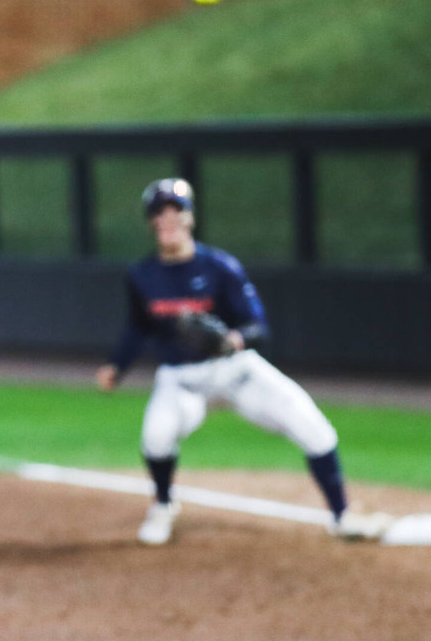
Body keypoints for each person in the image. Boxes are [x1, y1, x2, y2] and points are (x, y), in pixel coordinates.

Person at [96, 177, 386, 545]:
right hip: (182, 380)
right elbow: (137, 328)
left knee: (313, 427)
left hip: (234, 371)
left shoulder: (220, 267)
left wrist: (233, 338)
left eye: (175, 212)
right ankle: (164, 505)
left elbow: (258, 326)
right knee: (156, 438)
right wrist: (117, 367)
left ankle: (342, 515)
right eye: (159, 213)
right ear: (151, 222)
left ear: (190, 219)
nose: (167, 220)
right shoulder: (143, 275)